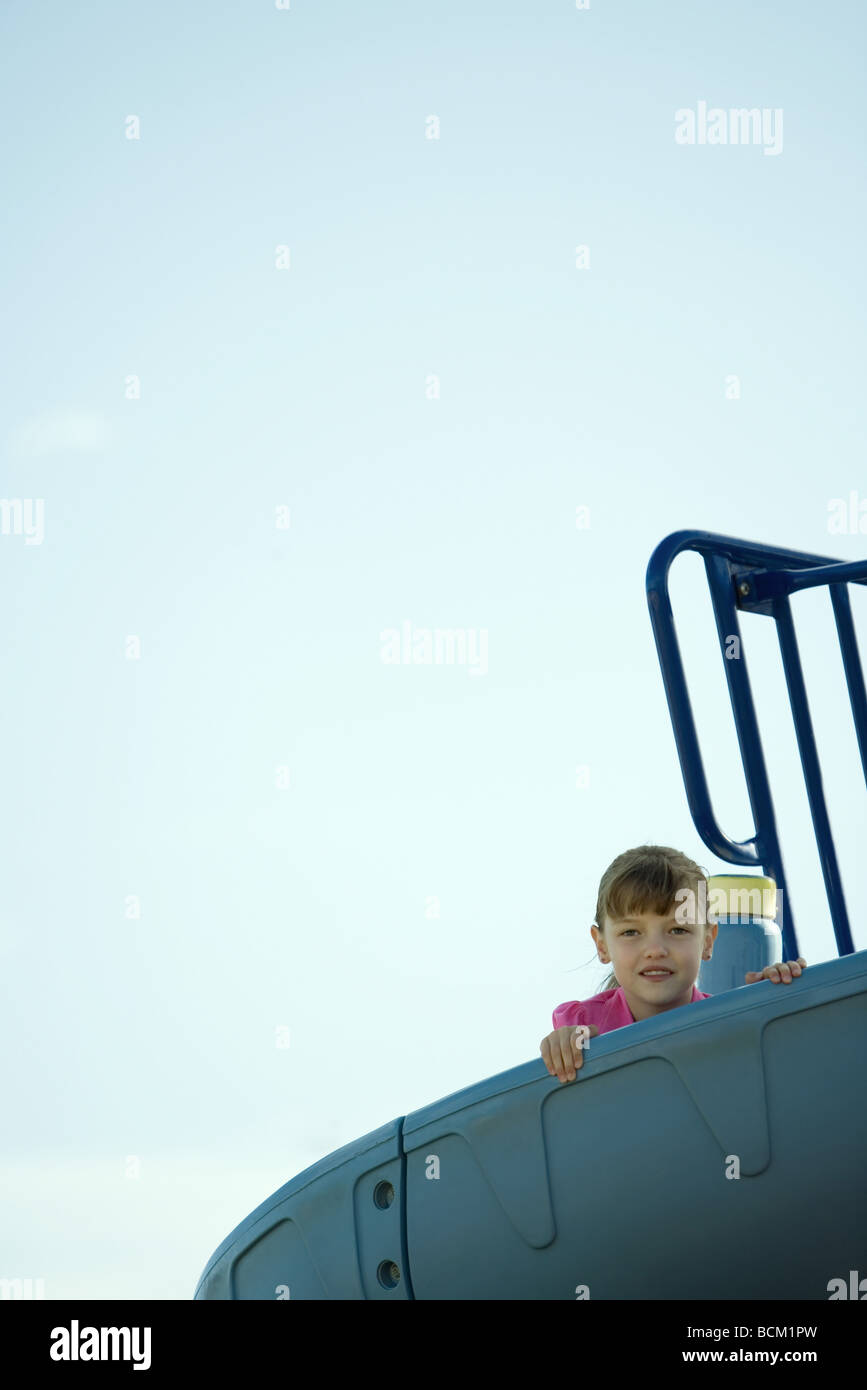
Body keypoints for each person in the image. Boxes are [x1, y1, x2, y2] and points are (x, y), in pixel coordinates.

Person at [541, 845, 807, 1084]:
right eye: (631, 932)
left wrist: (776, 1011)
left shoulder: (732, 1022)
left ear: (707, 941)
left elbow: (782, 1082)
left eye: (678, 930)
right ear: (602, 945)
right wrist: (561, 1047)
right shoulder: (585, 1026)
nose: (656, 950)